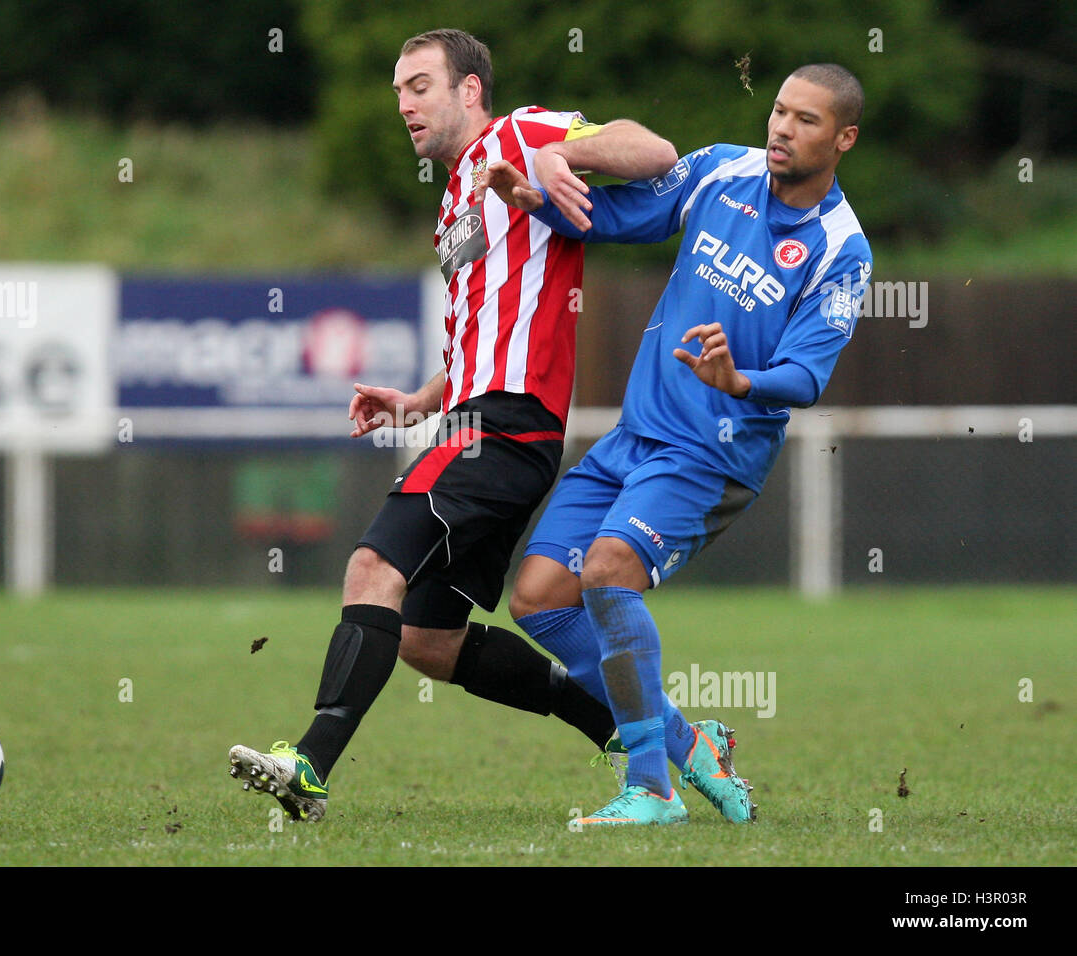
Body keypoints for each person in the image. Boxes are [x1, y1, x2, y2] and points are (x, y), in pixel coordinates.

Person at [227, 29, 678, 822]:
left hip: (499, 428)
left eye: (421, 85)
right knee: (426, 639)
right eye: (399, 89)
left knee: (372, 567)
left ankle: (309, 762)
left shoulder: (517, 135)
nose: (405, 103)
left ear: (470, 91)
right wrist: (419, 400)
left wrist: (565, 156)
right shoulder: (455, 201)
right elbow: (483, 333)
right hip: (482, 421)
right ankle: (628, 735)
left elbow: (654, 150)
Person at [479, 63, 872, 825]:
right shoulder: (723, 168)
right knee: (535, 599)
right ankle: (693, 744)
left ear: (844, 138)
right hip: (635, 434)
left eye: (807, 120)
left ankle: (651, 788)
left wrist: (740, 381)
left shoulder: (841, 251)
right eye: (780, 111)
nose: (783, 128)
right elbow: (617, 217)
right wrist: (538, 200)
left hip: (710, 456)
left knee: (606, 573)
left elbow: (806, 373)